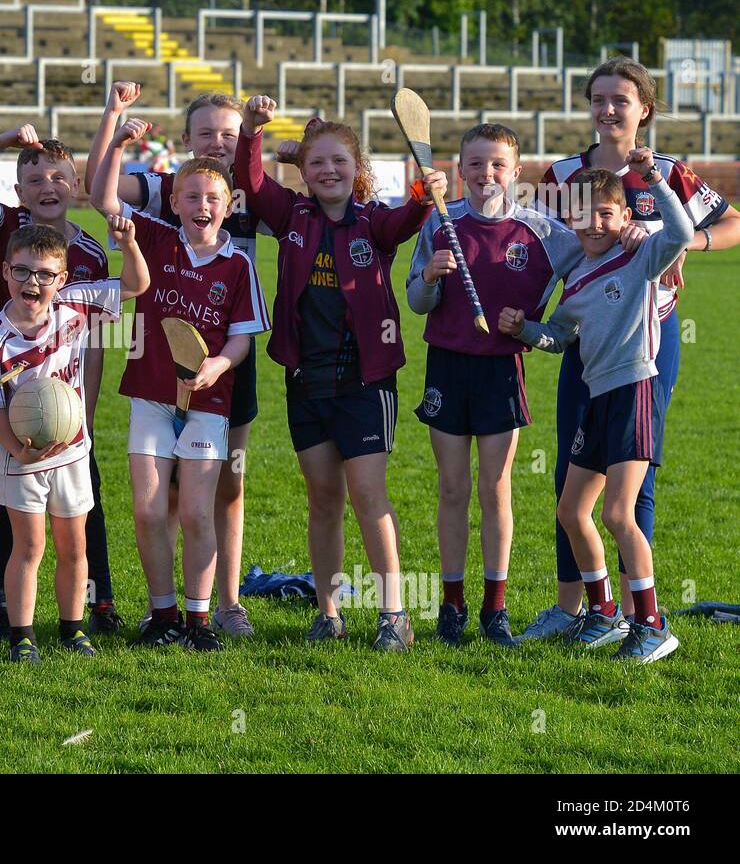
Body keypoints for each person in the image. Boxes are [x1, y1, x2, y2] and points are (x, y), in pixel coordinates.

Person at [521, 57, 740, 640]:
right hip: (584, 334)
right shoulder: (564, 174)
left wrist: (684, 242)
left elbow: (734, 223)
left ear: (644, 108)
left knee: (633, 478)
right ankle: (576, 609)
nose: (608, 109)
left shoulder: (666, 171)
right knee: (572, 468)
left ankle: (639, 617)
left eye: (621, 99)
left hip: (650, 340)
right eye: (598, 98)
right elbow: (532, 242)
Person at [235, 96, 444, 651]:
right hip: (307, 381)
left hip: (365, 381)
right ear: (303, 171)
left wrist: (428, 189)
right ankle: (328, 613)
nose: (329, 171)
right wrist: (252, 131)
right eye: (317, 163)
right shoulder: (291, 216)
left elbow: (408, 219)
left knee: (368, 493)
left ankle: (393, 614)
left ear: (358, 171)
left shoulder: (374, 222)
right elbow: (251, 182)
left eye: (340, 163)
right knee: (323, 498)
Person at [500, 154, 691, 663]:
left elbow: (682, 227)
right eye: (584, 215)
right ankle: (603, 611)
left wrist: (652, 178)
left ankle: (651, 624)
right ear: (571, 220)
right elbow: (559, 337)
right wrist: (524, 331)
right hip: (597, 399)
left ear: (625, 217)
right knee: (570, 510)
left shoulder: (644, 256)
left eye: (607, 213)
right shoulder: (578, 278)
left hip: (635, 390)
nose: (595, 223)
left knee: (617, 512)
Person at [87, 83, 261, 638]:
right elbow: (106, 200)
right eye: (191, 198)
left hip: (210, 400)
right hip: (151, 395)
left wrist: (218, 366)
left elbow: (241, 339)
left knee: (196, 512)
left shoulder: (238, 264)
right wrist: (117, 139)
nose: (202, 207)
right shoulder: (156, 236)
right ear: (174, 199)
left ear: (228, 203)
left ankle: (202, 616)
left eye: (212, 199)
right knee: (147, 507)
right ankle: (162, 614)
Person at [406, 124, 588, 648]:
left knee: (495, 489)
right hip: (446, 366)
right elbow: (416, 302)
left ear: (517, 172)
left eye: (498, 165)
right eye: (477, 164)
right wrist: (430, 278)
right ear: (460, 170)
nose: (487, 174)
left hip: (501, 370)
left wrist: (534, 331)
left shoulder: (545, 234)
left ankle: (495, 607)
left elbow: (596, 262)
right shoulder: (442, 225)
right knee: (452, 488)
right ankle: (452, 603)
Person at [0, 128, 123, 639]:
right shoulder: (7, 225)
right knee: (4, 502)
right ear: (20, 189)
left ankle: (97, 605)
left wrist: (84, 408)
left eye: (58, 177)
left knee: (83, 509)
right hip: (7, 391)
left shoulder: (90, 253)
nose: (48, 186)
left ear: (76, 185)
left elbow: (94, 339)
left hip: (67, 400)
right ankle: (4, 607)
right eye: (35, 178)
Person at [0, 221, 149, 662]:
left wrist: (128, 244)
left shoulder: (75, 307)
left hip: (72, 452)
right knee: (28, 546)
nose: (32, 282)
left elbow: (137, 283)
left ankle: (72, 629)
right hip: (23, 459)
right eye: (22, 271)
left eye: (45, 274)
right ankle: (22, 635)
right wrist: (16, 450)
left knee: (74, 545)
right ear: (4, 272)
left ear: (63, 280)